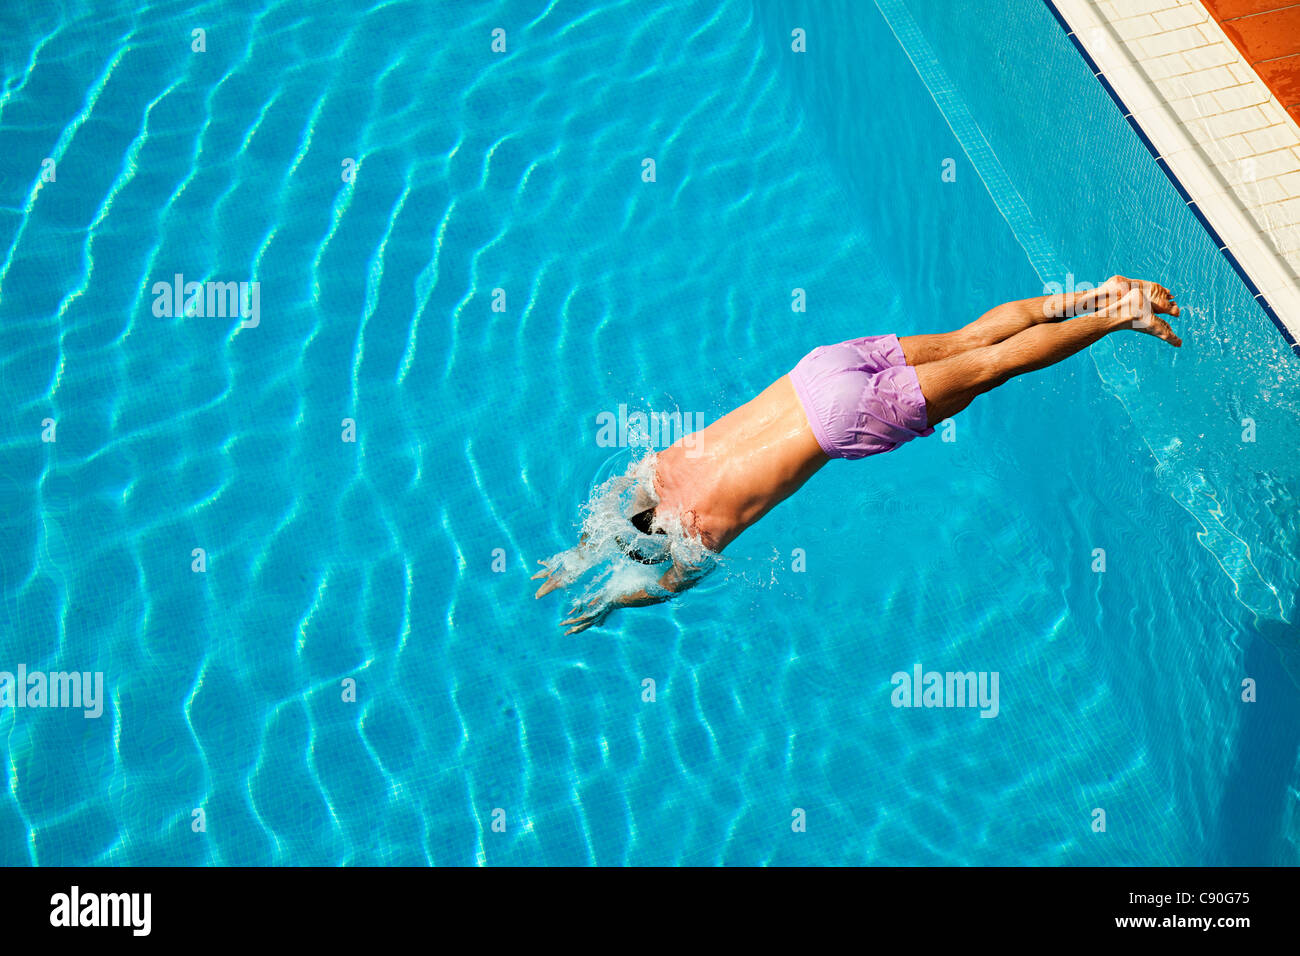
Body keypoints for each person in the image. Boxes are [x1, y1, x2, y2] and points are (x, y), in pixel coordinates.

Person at [535, 276, 1181, 633]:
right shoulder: (663, 465)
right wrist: (580, 551)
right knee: (970, 338)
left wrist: (612, 599)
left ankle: (1118, 315)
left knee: (989, 367)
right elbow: (613, 500)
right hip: (819, 370)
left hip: (841, 419)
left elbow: (668, 586)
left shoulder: (702, 532)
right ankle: (1099, 292)